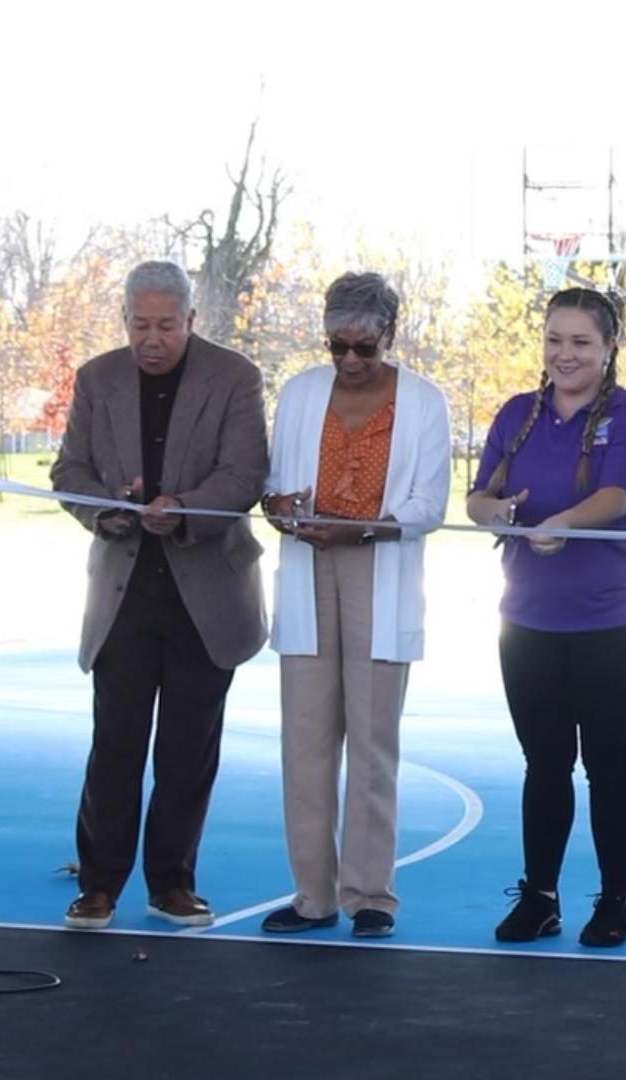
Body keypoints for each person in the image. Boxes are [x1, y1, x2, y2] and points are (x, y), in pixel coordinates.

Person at [50, 260, 270, 930]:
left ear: (190, 321)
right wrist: (105, 510)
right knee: (114, 742)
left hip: (206, 588)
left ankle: (172, 882)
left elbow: (244, 474)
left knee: (187, 746)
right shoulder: (96, 379)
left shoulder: (235, 377)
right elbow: (70, 470)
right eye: (140, 325)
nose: (152, 339)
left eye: (166, 326)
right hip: (122, 589)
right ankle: (98, 885)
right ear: (125, 320)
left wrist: (184, 509)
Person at [256, 272, 452, 940]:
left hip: (382, 569)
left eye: (363, 348)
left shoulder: (424, 403)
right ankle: (312, 896)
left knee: (373, 743)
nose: (348, 360)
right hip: (308, 570)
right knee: (305, 743)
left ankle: (371, 895)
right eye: (337, 344)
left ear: (389, 337)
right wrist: (278, 508)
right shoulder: (299, 394)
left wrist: (361, 526)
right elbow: (275, 489)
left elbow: (429, 508)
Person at [467, 288, 626, 948]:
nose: (565, 354)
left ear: (609, 349)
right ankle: (541, 896)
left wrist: (562, 524)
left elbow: (617, 494)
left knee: (611, 762)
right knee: (544, 763)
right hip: (528, 621)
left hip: (615, 622)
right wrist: (496, 514)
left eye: (581, 341)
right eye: (555, 339)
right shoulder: (517, 414)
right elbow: (478, 496)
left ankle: (615, 901)